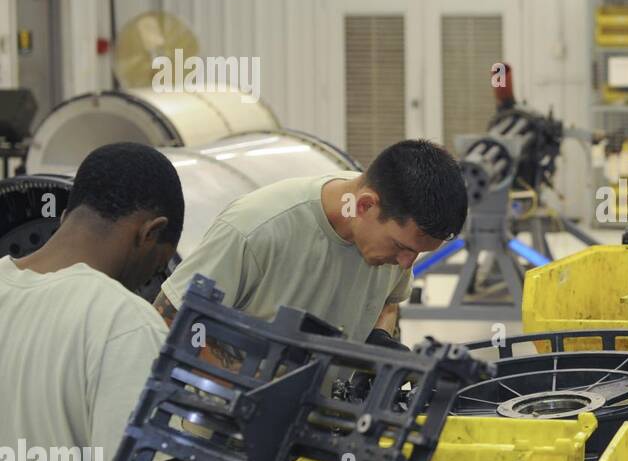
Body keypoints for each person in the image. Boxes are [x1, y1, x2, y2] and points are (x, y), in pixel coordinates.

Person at [0, 143, 184, 461]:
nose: (146, 282)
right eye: (155, 267)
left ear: (66, 217)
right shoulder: (124, 322)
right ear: (149, 233)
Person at [154, 139, 467, 360]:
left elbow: (387, 302)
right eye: (401, 248)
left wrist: (379, 339)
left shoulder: (397, 238)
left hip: (315, 431)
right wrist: (233, 389)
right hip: (221, 436)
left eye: (416, 254)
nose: (406, 263)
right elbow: (168, 319)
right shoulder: (257, 228)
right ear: (365, 205)